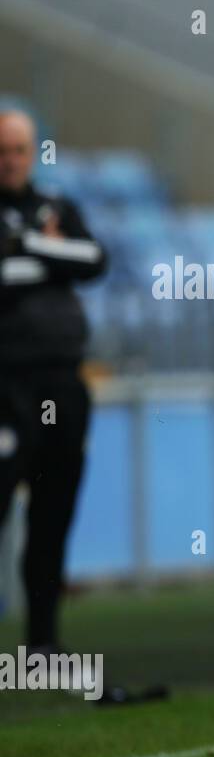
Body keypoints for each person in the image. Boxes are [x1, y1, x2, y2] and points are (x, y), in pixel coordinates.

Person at [0, 109, 108, 660]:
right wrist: (50, 255)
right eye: (3, 150)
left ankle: (42, 643)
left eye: (20, 149)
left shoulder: (58, 205)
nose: (12, 160)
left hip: (63, 384)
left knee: (53, 512)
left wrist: (30, 249)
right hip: (6, 384)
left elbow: (94, 259)